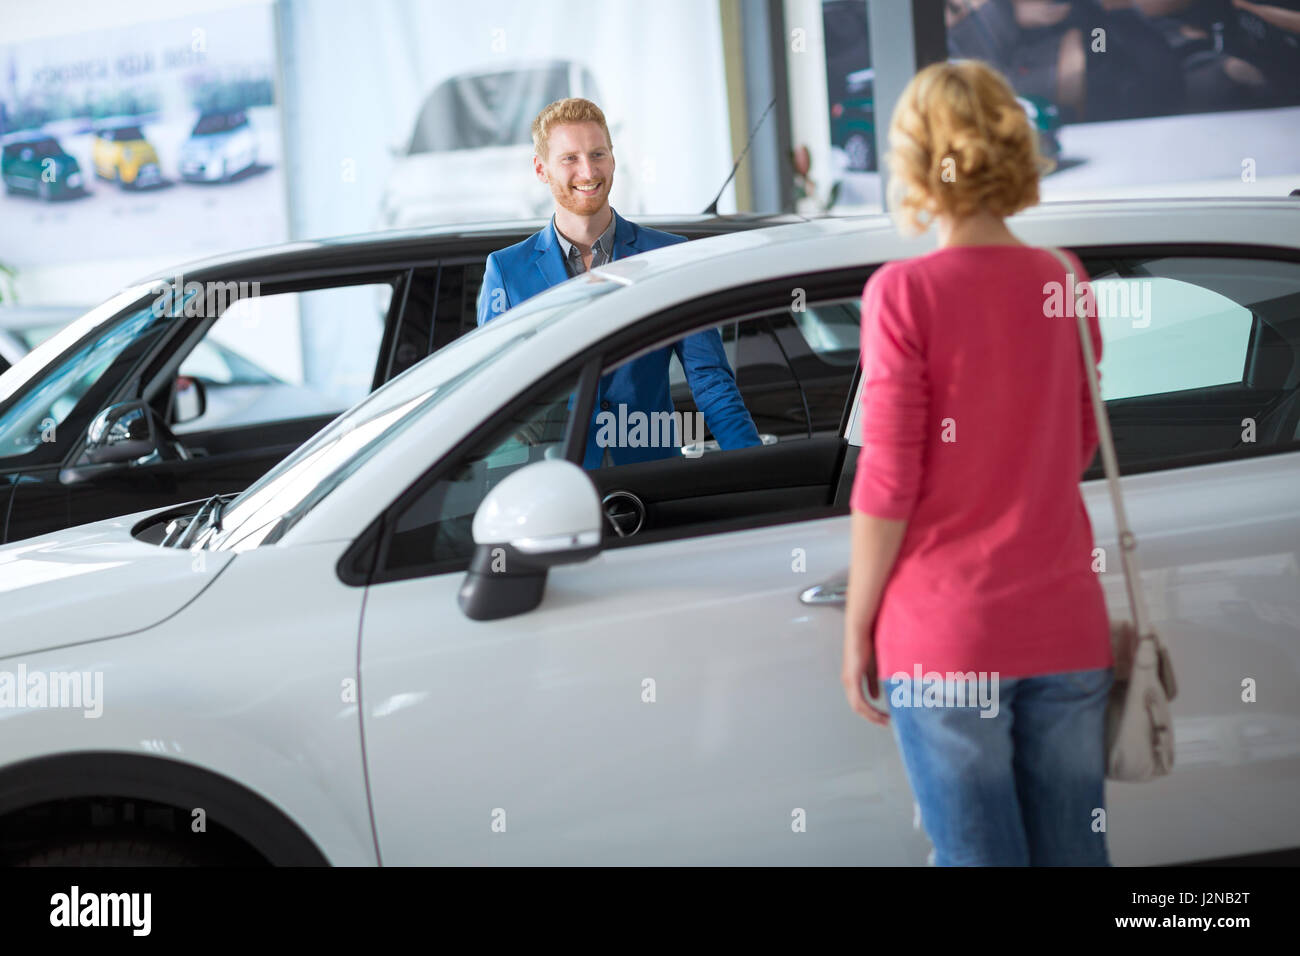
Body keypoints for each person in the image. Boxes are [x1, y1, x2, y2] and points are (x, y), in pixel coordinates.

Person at [840, 60, 1113, 866]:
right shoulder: (1066, 279)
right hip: (1066, 629)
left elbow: (888, 481)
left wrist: (858, 629)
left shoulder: (904, 294)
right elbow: (1079, 445)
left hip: (947, 638)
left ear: (917, 160)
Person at [476, 97, 759, 468]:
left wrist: (758, 468)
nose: (588, 172)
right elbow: (492, 395)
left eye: (598, 154)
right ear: (541, 169)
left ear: (613, 158)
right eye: (570, 159)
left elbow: (711, 382)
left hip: (653, 477)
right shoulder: (506, 271)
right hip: (554, 485)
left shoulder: (670, 255)